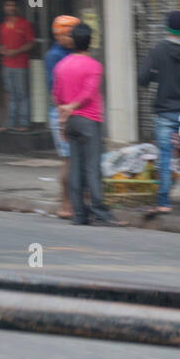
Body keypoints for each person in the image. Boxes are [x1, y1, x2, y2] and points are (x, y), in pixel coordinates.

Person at [138, 10, 180, 215]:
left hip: (165, 112)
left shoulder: (158, 50)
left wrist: (157, 75)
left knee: (165, 156)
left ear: (167, 27)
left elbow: (142, 78)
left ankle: (164, 202)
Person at [52, 22, 116, 226]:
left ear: (72, 42)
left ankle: (79, 213)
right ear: (90, 42)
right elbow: (89, 93)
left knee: (76, 167)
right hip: (89, 119)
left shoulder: (61, 66)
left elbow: (56, 94)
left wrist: (65, 112)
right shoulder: (94, 66)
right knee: (92, 167)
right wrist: (74, 105)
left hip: (70, 122)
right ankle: (99, 210)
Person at [45, 14, 80, 219]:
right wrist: (63, 116)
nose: (73, 38)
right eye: (70, 34)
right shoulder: (55, 56)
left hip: (74, 110)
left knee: (75, 158)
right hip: (62, 111)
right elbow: (55, 89)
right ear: (60, 35)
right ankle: (65, 203)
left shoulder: (71, 52)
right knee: (68, 159)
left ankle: (75, 201)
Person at [0, 0, 36, 132]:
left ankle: (24, 123)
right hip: (6, 64)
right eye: (8, 5)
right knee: (10, 94)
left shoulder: (24, 24)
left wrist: (16, 51)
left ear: (17, 8)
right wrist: (1, 49)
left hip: (20, 65)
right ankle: (10, 123)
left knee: (22, 94)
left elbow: (31, 43)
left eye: (12, 5)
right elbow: (1, 44)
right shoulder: (2, 26)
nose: (10, 8)